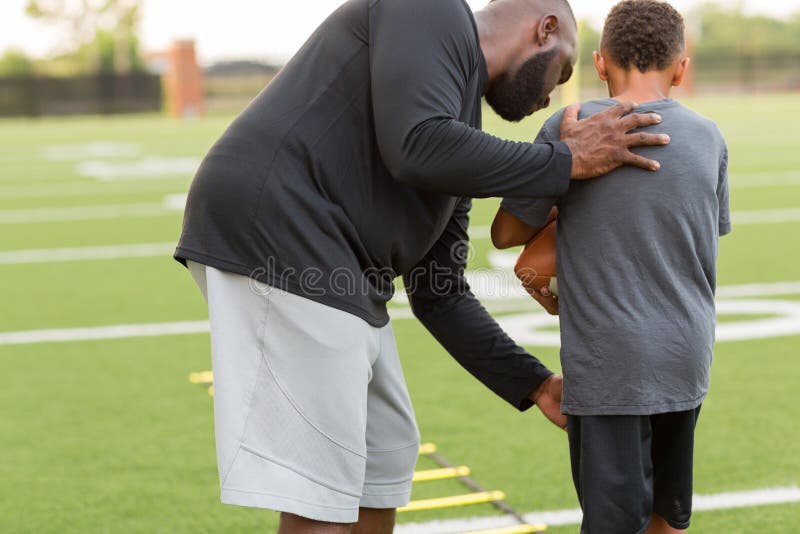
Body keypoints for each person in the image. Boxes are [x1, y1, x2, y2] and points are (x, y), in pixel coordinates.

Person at [174, 0, 670, 531]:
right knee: (325, 491)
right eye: (562, 69)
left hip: (334, 263)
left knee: (385, 454)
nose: (552, 94)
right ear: (544, 28)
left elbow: (440, 292)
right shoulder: (430, 9)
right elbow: (416, 145)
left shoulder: (459, 129)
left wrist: (535, 384)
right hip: (280, 233)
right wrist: (564, 162)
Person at [492, 1, 731, 532]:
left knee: (610, 522)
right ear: (682, 67)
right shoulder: (710, 136)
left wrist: (562, 200)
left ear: (599, 64)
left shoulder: (570, 123)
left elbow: (506, 236)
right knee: (667, 516)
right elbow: (690, 231)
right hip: (685, 357)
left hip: (609, 365)